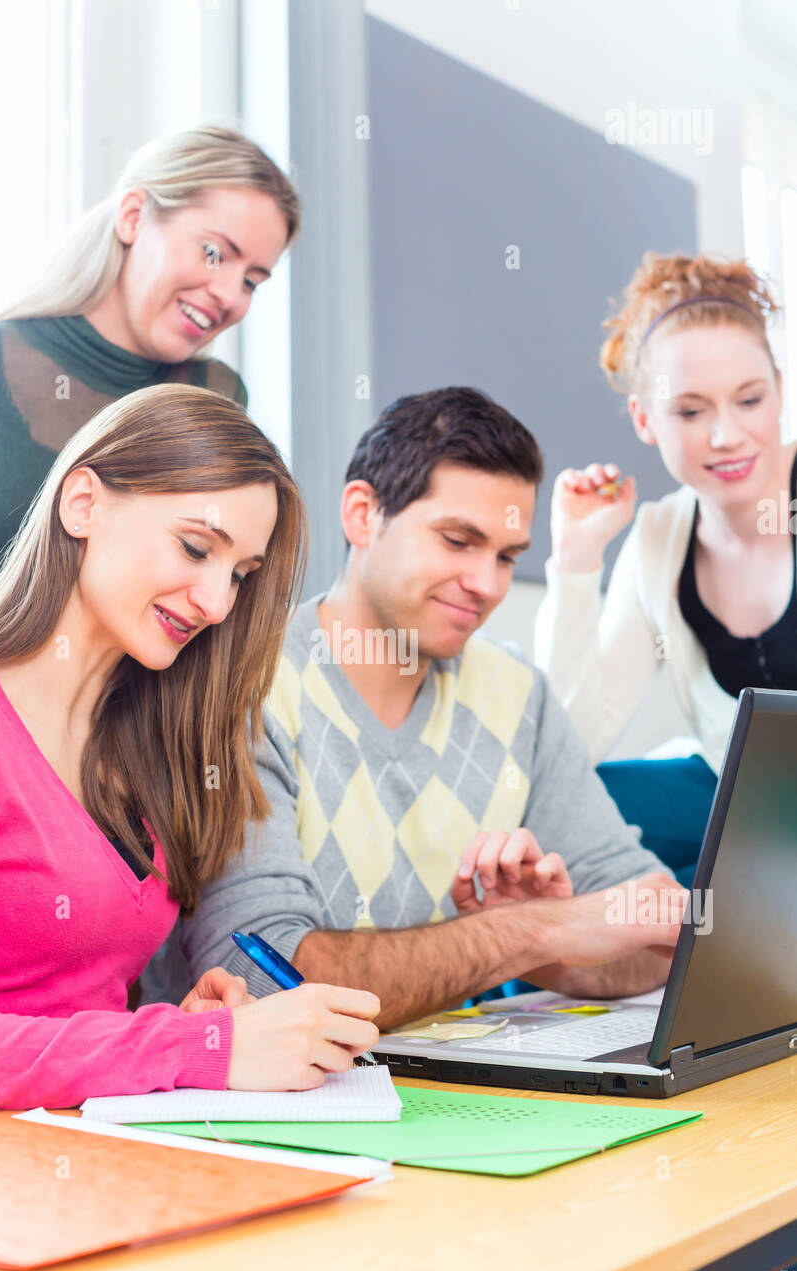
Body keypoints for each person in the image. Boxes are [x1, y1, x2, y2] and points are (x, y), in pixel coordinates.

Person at [141, 387, 686, 1027]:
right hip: (244, 1105)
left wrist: (555, 957)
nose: (487, 584)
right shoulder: (241, 686)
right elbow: (258, 983)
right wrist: (530, 932)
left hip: (437, 1093)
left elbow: (659, 932)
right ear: (362, 514)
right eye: (458, 540)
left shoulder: (519, 697)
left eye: (507, 557)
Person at [0, 383, 380, 1112]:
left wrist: (173, 1028)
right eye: (196, 547)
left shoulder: (140, 751)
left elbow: (59, 1022)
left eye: (240, 575)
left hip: (92, 1161)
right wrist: (194, 1049)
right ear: (83, 503)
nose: (217, 603)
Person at [0, 123, 299, 623]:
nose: (231, 296)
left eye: (252, 281)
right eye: (214, 253)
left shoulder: (215, 395)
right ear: (132, 217)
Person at [534, 252, 795, 886]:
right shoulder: (657, 538)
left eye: (750, 400)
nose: (727, 435)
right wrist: (575, 560)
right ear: (645, 420)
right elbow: (571, 745)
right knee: (548, 818)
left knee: (692, 899)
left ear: (779, 393)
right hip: (735, 800)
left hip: (771, 824)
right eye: (690, 411)